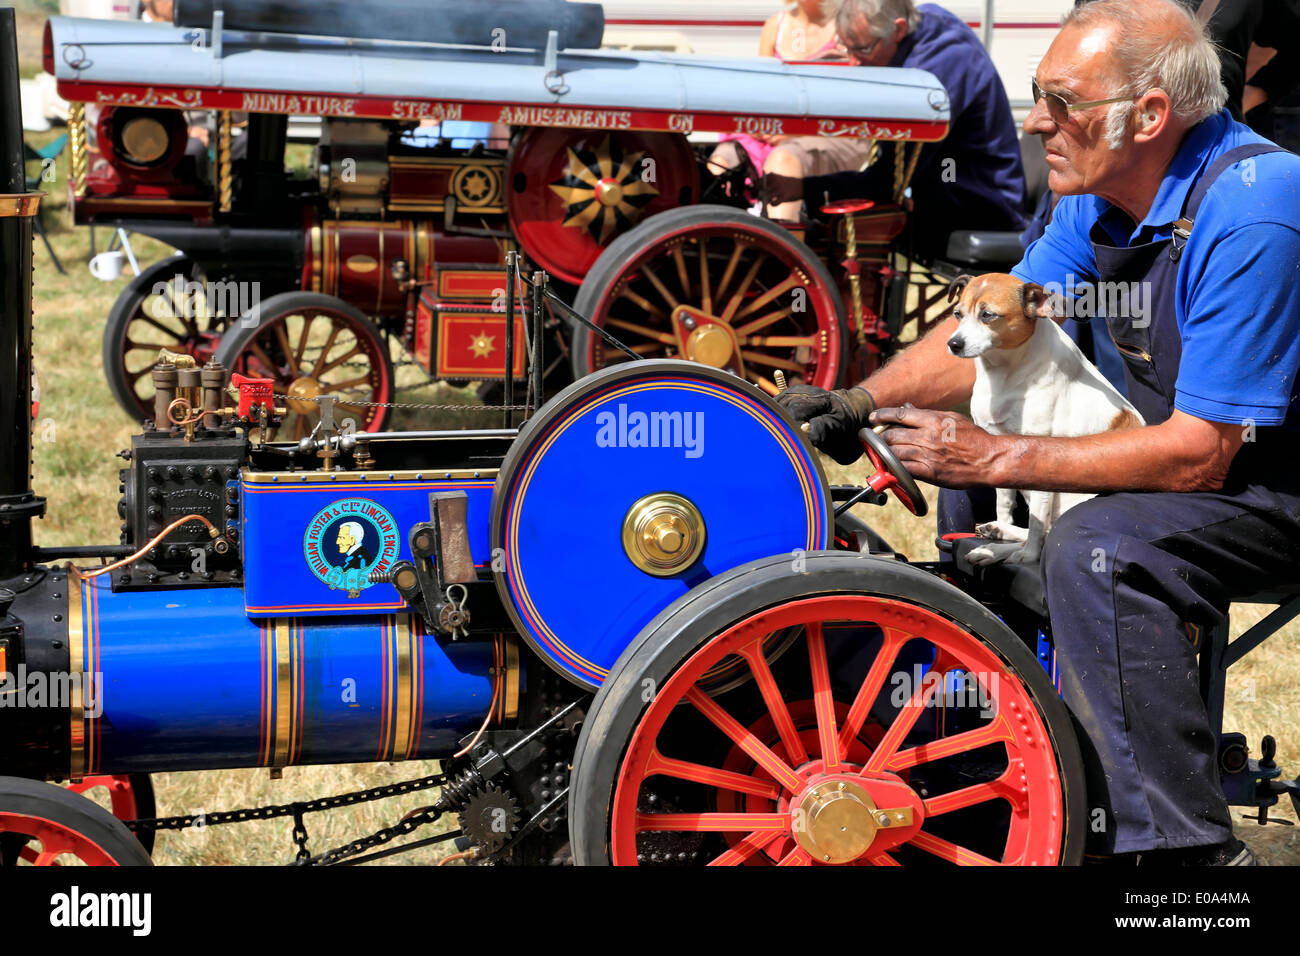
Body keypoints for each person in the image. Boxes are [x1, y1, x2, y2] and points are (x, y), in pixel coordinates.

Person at [778, 0, 1300, 865]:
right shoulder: (1094, 203)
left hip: (1270, 486)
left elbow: (1205, 454)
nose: (1034, 121)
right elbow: (991, 335)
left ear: (1150, 116)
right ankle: (1002, 784)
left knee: (1099, 547)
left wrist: (1000, 454)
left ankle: (1188, 861)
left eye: (1061, 101)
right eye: (1036, 95)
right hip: (1191, 454)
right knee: (979, 527)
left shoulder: (1255, 209)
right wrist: (858, 403)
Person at [779, 0, 1025, 259]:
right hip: (943, 193)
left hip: (978, 207)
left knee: (845, 231)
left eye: (861, 49)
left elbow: (889, 183)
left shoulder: (939, 66)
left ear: (898, 29)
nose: (851, 62)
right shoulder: (921, 22)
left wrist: (805, 188)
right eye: (845, 47)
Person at [707, 0, 876, 216]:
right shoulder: (775, 26)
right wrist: (763, 125)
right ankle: (705, 238)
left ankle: (779, 244)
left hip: (832, 133)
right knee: (720, 164)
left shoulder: (849, 27)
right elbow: (761, 93)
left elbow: (853, 101)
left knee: (783, 161)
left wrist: (794, 131)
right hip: (773, 130)